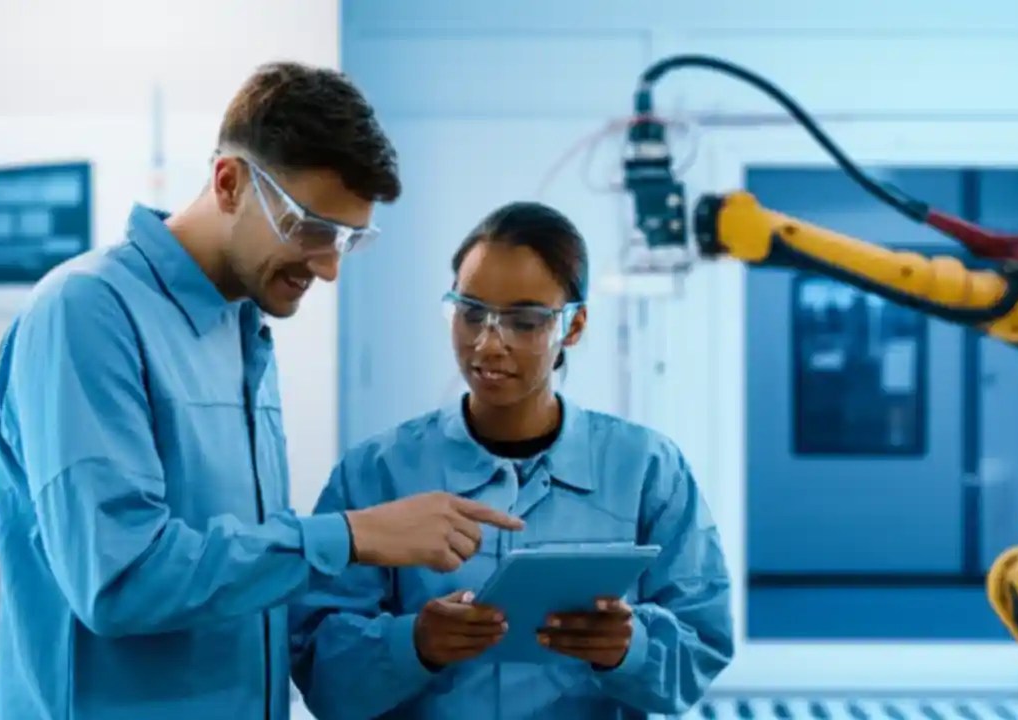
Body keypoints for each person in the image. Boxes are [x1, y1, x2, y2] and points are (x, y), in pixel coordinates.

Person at [0, 62, 523, 720]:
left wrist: (412, 635)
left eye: (349, 240)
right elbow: (119, 579)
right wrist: (349, 537)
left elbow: (242, 580)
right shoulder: (87, 313)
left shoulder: (243, 333)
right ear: (229, 182)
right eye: (312, 229)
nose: (329, 267)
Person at [290, 201, 734, 719]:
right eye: (471, 313)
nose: (488, 343)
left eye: (524, 322)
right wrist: (414, 644)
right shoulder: (377, 473)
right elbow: (320, 672)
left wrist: (628, 647)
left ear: (573, 326)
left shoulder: (648, 471)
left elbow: (702, 646)